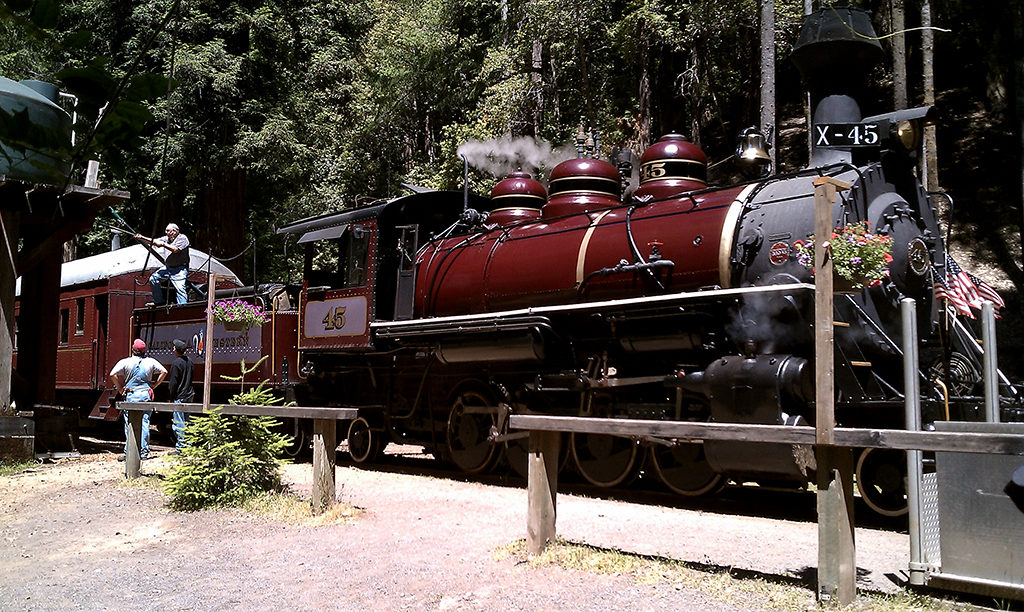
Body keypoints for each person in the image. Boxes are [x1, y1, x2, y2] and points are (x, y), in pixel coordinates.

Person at [109, 338, 167, 460]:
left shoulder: (125, 362)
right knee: (145, 423)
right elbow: (164, 371)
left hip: (131, 395)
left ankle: (129, 452)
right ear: (144, 350)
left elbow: (112, 374)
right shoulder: (151, 361)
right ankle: (144, 452)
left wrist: (120, 388)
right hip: (145, 395)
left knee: (129, 423)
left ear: (132, 350)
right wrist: (154, 386)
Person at [136, 223, 190, 305]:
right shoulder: (166, 239)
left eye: (168, 230)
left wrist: (163, 244)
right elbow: (154, 241)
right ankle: (159, 302)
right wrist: (141, 238)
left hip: (180, 269)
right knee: (153, 279)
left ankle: (182, 307)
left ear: (174, 231)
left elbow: (175, 250)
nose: (166, 232)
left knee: (180, 289)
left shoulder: (182, 238)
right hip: (168, 268)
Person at [167, 338, 195, 453]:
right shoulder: (190, 361)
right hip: (189, 393)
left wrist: (170, 396)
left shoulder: (176, 363)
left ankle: (181, 447)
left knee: (179, 422)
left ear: (177, 350)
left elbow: (173, 382)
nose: (173, 349)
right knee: (188, 421)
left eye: (174, 347)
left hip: (180, 395)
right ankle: (189, 444)